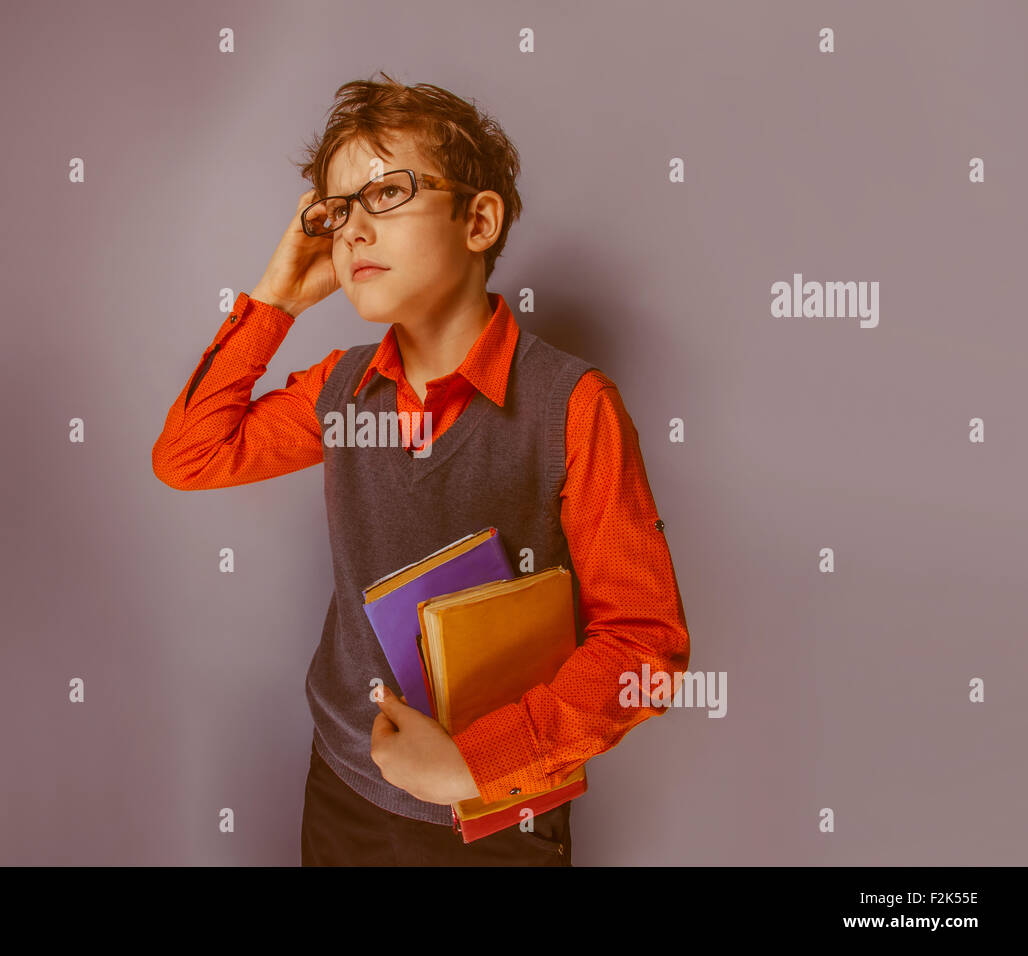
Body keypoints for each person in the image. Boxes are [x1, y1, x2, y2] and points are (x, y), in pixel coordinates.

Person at [153, 72, 690, 866]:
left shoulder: (574, 407)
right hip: (342, 784)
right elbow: (190, 456)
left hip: (497, 814)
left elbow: (645, 646)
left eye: (385, 194)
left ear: (478, 220)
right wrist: (275, 298)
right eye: (337, 213)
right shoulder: (339, 388)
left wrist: (483, 760)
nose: (352, 232)